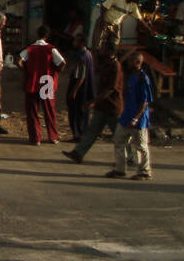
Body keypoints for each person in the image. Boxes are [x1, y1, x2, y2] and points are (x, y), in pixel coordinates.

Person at [63, 39, 123, 164]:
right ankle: (78, 153)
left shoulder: (115, 66)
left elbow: (111, 89)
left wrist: (94, 101)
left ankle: (130, 158)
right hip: (102, 107)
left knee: (119, 135)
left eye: (103, 48)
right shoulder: (106, 64)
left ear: (109, 51)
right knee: (92, 131)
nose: (100, 50)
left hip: (112, 107)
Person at [108, 52, 154, 181]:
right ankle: (120, 169)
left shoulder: (143, 78)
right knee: (119, 141)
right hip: (126, 116)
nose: (128, 63)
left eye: (130, 61)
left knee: (140, 146)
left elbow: (145, 102)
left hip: (138, 120)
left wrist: (135, 118)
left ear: (137, 62)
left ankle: (144, 171)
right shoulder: (130, 76)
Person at [19, 25, 66, 146]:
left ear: (37, 34)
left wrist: (27, 70)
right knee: (49, 110)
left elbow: (19, 61)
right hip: (47, 81)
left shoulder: (30, 48)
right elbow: (62, 62)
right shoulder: (51, 49)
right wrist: (55, 71)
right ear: (47, 36)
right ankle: (53, 137)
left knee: (32, 110)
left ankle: (35, 138)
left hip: (33, 81)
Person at [65, 33, 95, 142]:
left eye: (76, 41)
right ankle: (82, 134)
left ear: (81, 43)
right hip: (87, 90)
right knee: (83, 114)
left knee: (76, 113)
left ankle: (78, 135)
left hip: (80, 90)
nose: (73, 42)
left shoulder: (81, 56)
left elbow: (80, 77)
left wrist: (74, 91)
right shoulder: (88, 54)